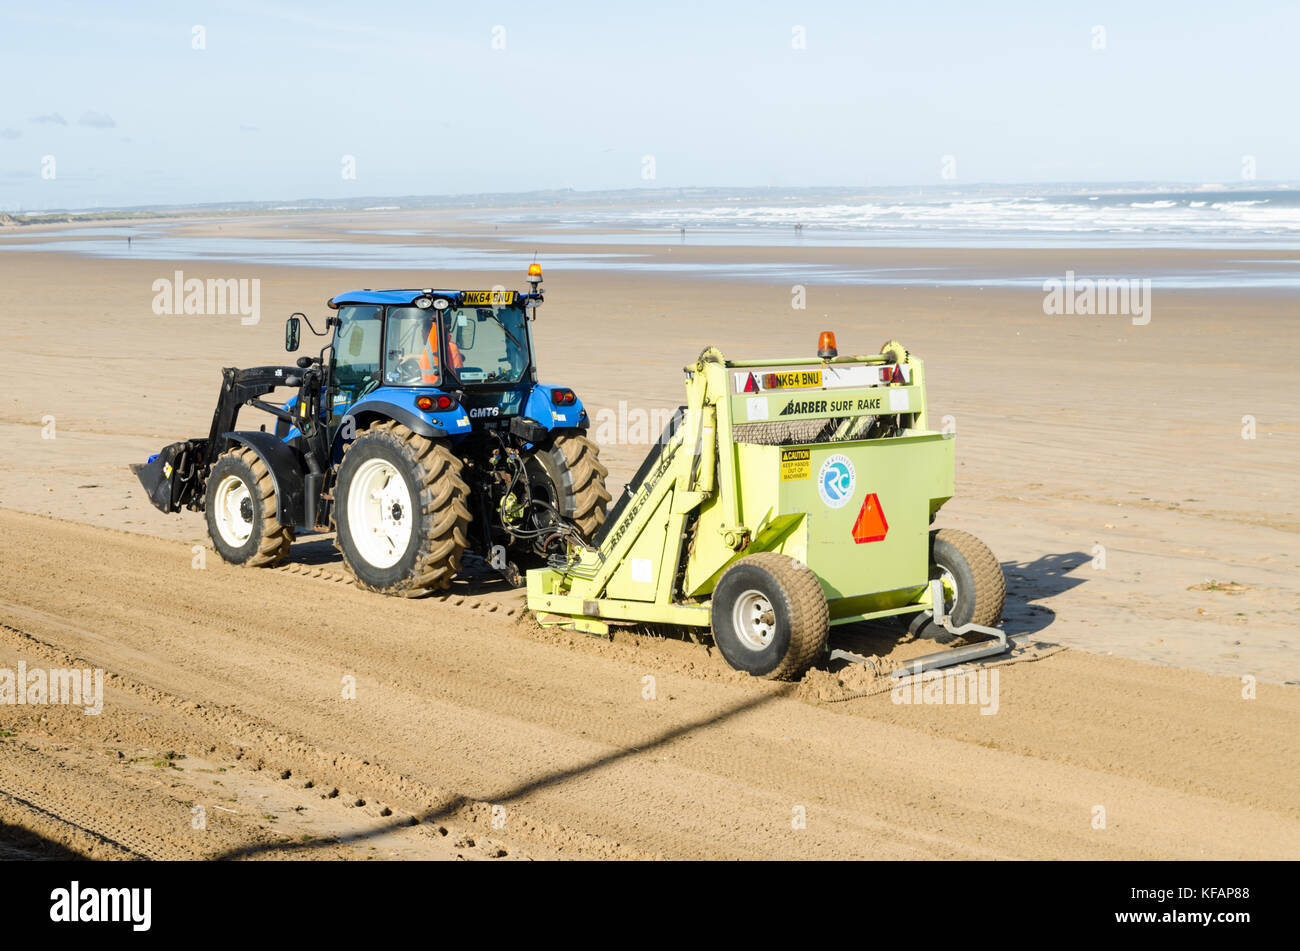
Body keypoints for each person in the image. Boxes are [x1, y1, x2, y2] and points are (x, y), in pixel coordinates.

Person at [418, 318, 463, 384]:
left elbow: (435, 356)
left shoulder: (443, 346)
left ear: (428, 332)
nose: (421, 334)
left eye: (422, 331)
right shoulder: (432, 348)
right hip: (431, 386)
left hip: (435, 386)